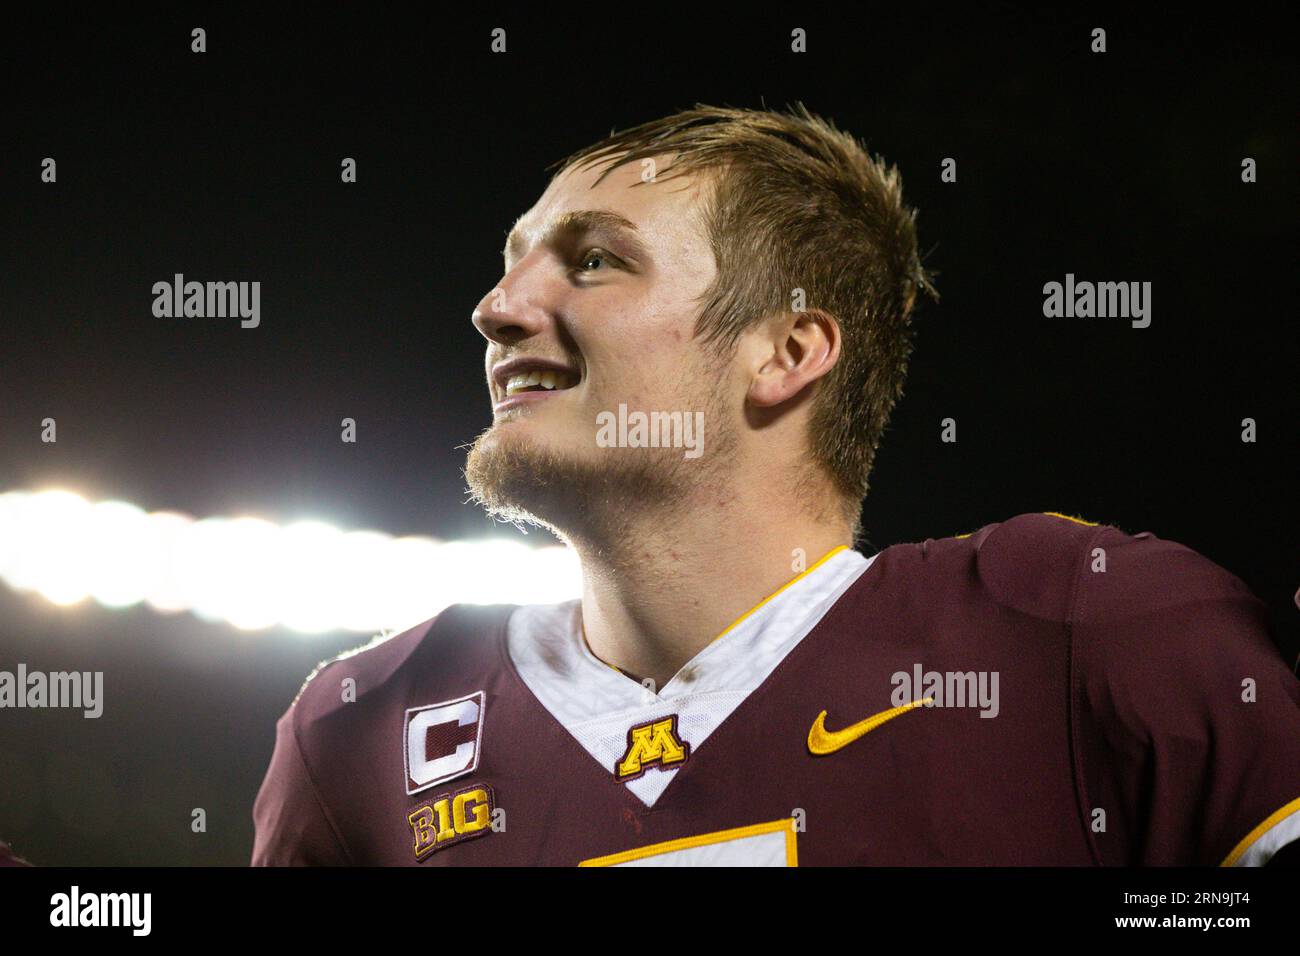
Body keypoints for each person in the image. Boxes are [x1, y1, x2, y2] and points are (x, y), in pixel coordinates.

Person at [252, 104, 1300, 866]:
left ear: (785, 350)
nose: (497, 305)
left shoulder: (1081, 626)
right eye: (513, 259)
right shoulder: (361, 723)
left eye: (594, 262)